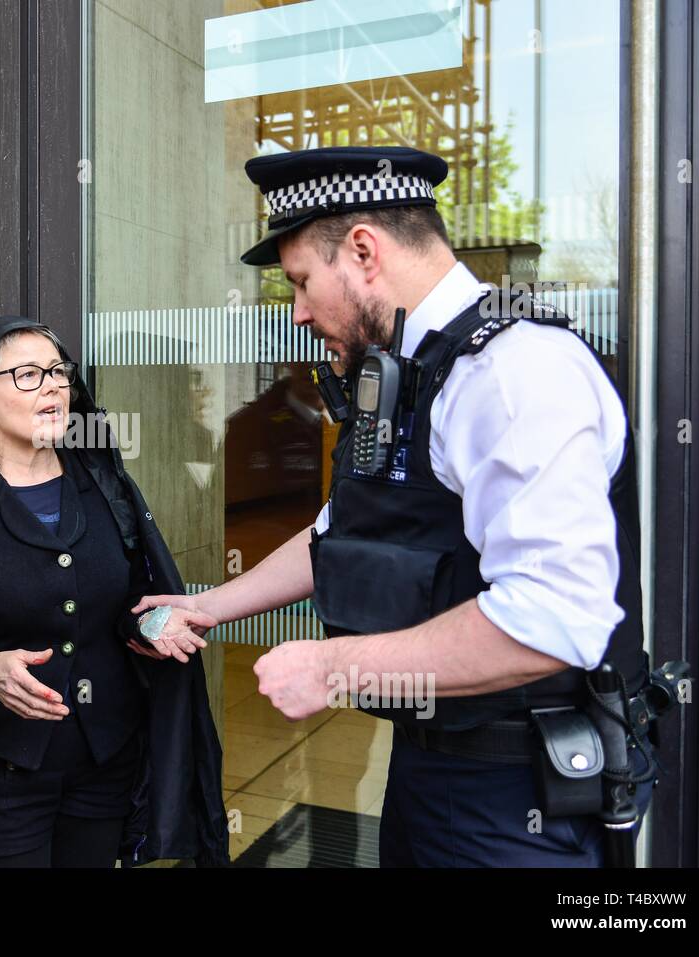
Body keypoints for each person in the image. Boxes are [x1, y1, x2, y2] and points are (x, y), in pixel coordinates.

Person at [136, 146, 658, 866]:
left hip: (520, 798)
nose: (296, 313)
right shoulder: (406, 372)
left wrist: (334, 667)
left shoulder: (513, 371)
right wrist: (209, 605)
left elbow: (553, 618)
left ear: (363, 251)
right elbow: (337, 534)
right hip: (427, 768)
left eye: (301, 283)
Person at [0, 316, 229, 868]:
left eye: (57, 372)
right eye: (28, 374)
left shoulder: (105, 491)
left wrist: (146, 623)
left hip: (103, 764)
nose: (54, 385)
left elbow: (128, 597)